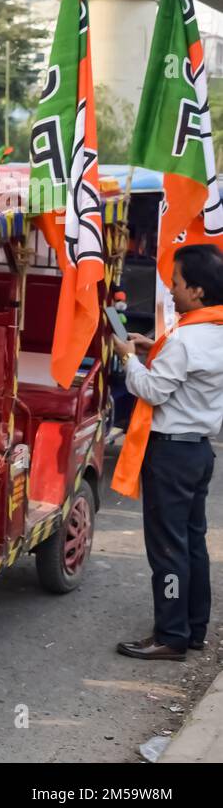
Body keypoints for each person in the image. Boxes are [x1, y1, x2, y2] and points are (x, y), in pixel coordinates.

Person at [111, 244, 223, 661]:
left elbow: (153, 390)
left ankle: (170, 636)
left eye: (176, 282)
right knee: (191, 543)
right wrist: (152, 347)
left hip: (171, 456)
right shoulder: (213, 330)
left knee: (167, 550)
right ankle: (193, 629)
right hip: (198, 453)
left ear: (196, 291)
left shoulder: (186, 339)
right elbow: (188, 368)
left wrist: (129, 359)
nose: (171, 290)